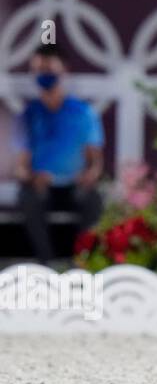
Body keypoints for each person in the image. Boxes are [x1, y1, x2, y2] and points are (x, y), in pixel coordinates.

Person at [11, 43, 105, 263]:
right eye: (38, 70)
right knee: (29, 197)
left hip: (74, 187)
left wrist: (89, 175)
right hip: (42, 187)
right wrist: (32, 177)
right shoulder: (27, 115)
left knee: (94, 199)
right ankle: (46, 263)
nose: (44, 75)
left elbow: (95, 163)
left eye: (49, 69)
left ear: (64, 70)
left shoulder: (83, 113)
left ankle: (80, 261)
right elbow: (20, 166)